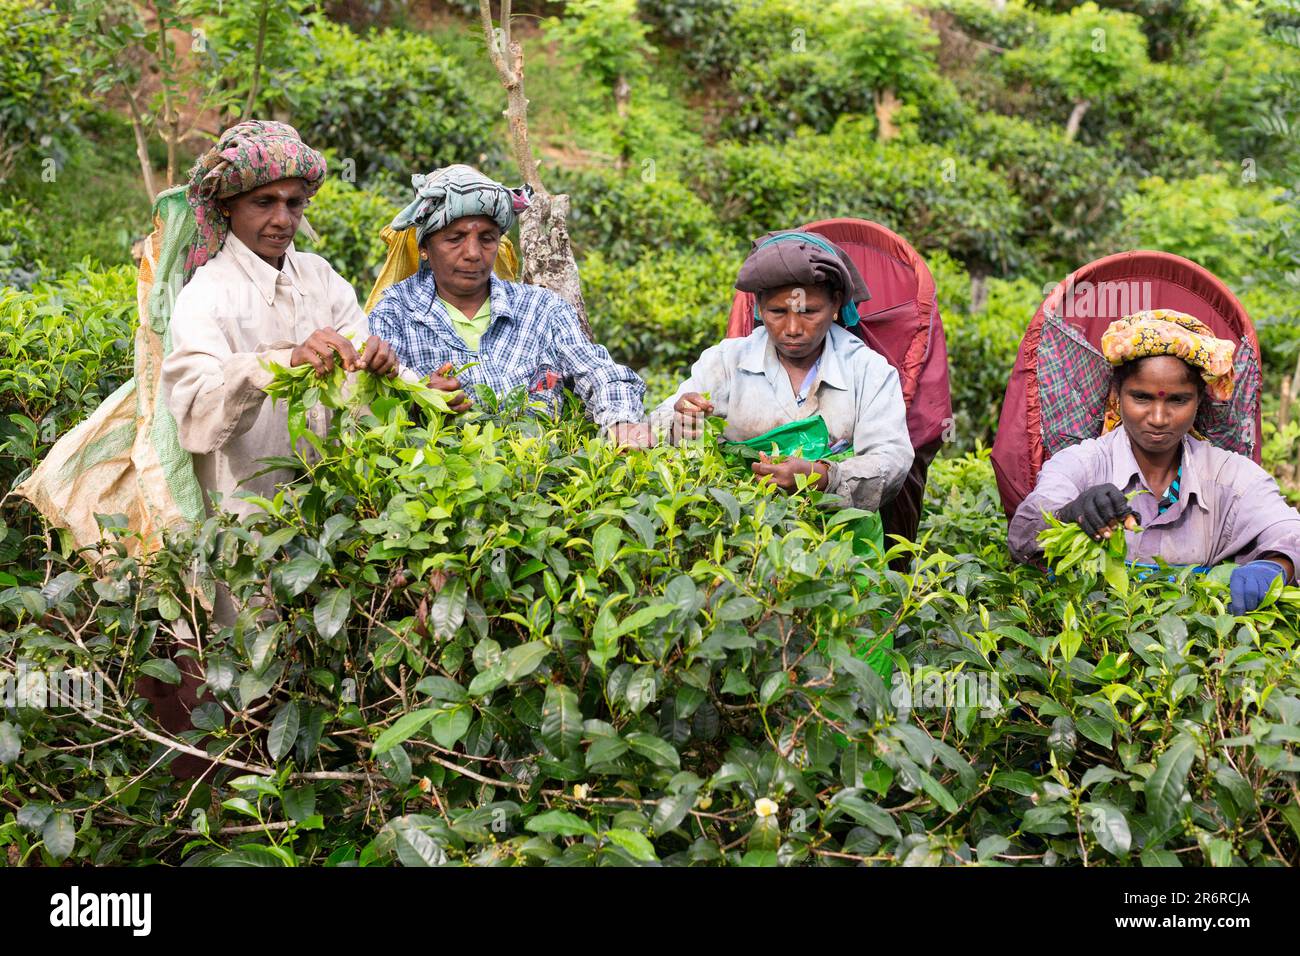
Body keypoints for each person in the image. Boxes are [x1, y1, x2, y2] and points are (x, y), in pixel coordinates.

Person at [162, 120, 401, 521]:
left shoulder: (319, 276)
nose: (282, 219)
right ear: (226, 205)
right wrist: (281, 363)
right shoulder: (206, 294)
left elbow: (357, 360)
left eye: (294, 203)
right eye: (263, 203)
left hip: (330, 515)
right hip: (246, 520)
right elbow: (197, 410)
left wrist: (390, 371)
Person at [1009, 309, 1300, 614]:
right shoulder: (1083, 464)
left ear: (1199, 401)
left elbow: (1287, 529)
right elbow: (1024, 531)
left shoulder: (1227, 475)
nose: (1159, 418)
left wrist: (1276, 566)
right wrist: (1071, 513)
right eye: (1142, 398)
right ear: (1117, 395)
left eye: (1177, 400)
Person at [367, 164, 651, 446]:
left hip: (540, 483)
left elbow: (599, 372)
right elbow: (373, 407)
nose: (473, 254)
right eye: (455, 239)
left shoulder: (542, 309)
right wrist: (420, 399)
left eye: (487, 239)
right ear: (424, 249)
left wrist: (622, 423)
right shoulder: (394, 313)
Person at [651, 230, 914, 513]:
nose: (792, 329)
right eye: (778, 312)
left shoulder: (868, 370)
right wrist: (682, 421)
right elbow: (658, 426)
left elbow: (891, 458)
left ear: (836, 304)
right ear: (760, 306)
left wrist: (821, 476)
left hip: (837, 541)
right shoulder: (726, 360)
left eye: (809, 312)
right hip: (740, 531)